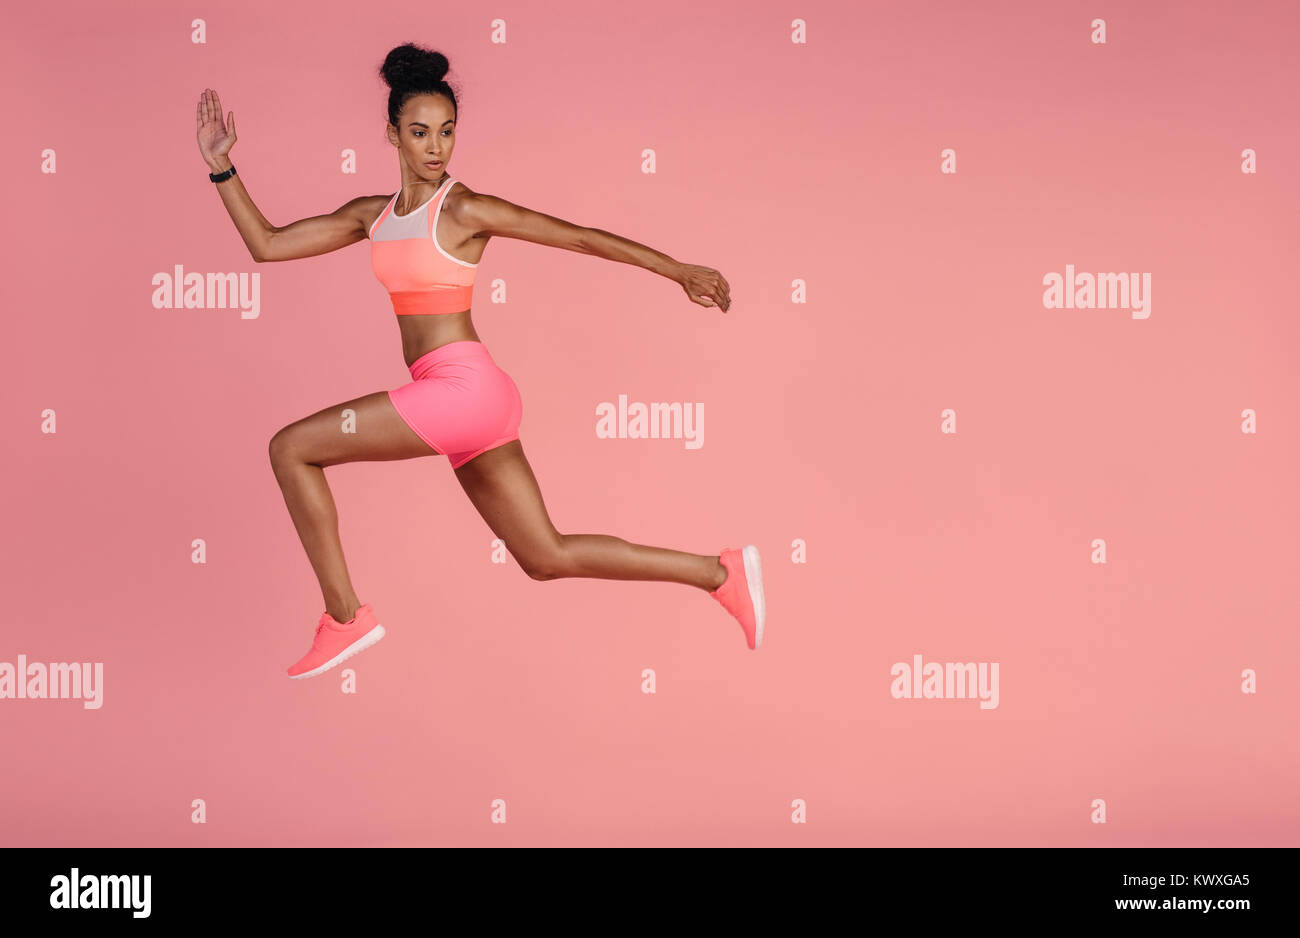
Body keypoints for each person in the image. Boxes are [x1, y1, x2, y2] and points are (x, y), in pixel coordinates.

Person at [194, 42, 765, 680]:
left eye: (446, 132)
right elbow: (268, 246)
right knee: (544, 556)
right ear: (391, 135)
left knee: (290, 448)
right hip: (472, 399)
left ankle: (346, 618)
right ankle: (719, 573)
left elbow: (576, 235)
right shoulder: (371, 217)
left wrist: (677, 270)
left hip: (462, 390)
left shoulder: (462, 209)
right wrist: (223, 169)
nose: (436, 148)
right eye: (419, 133)